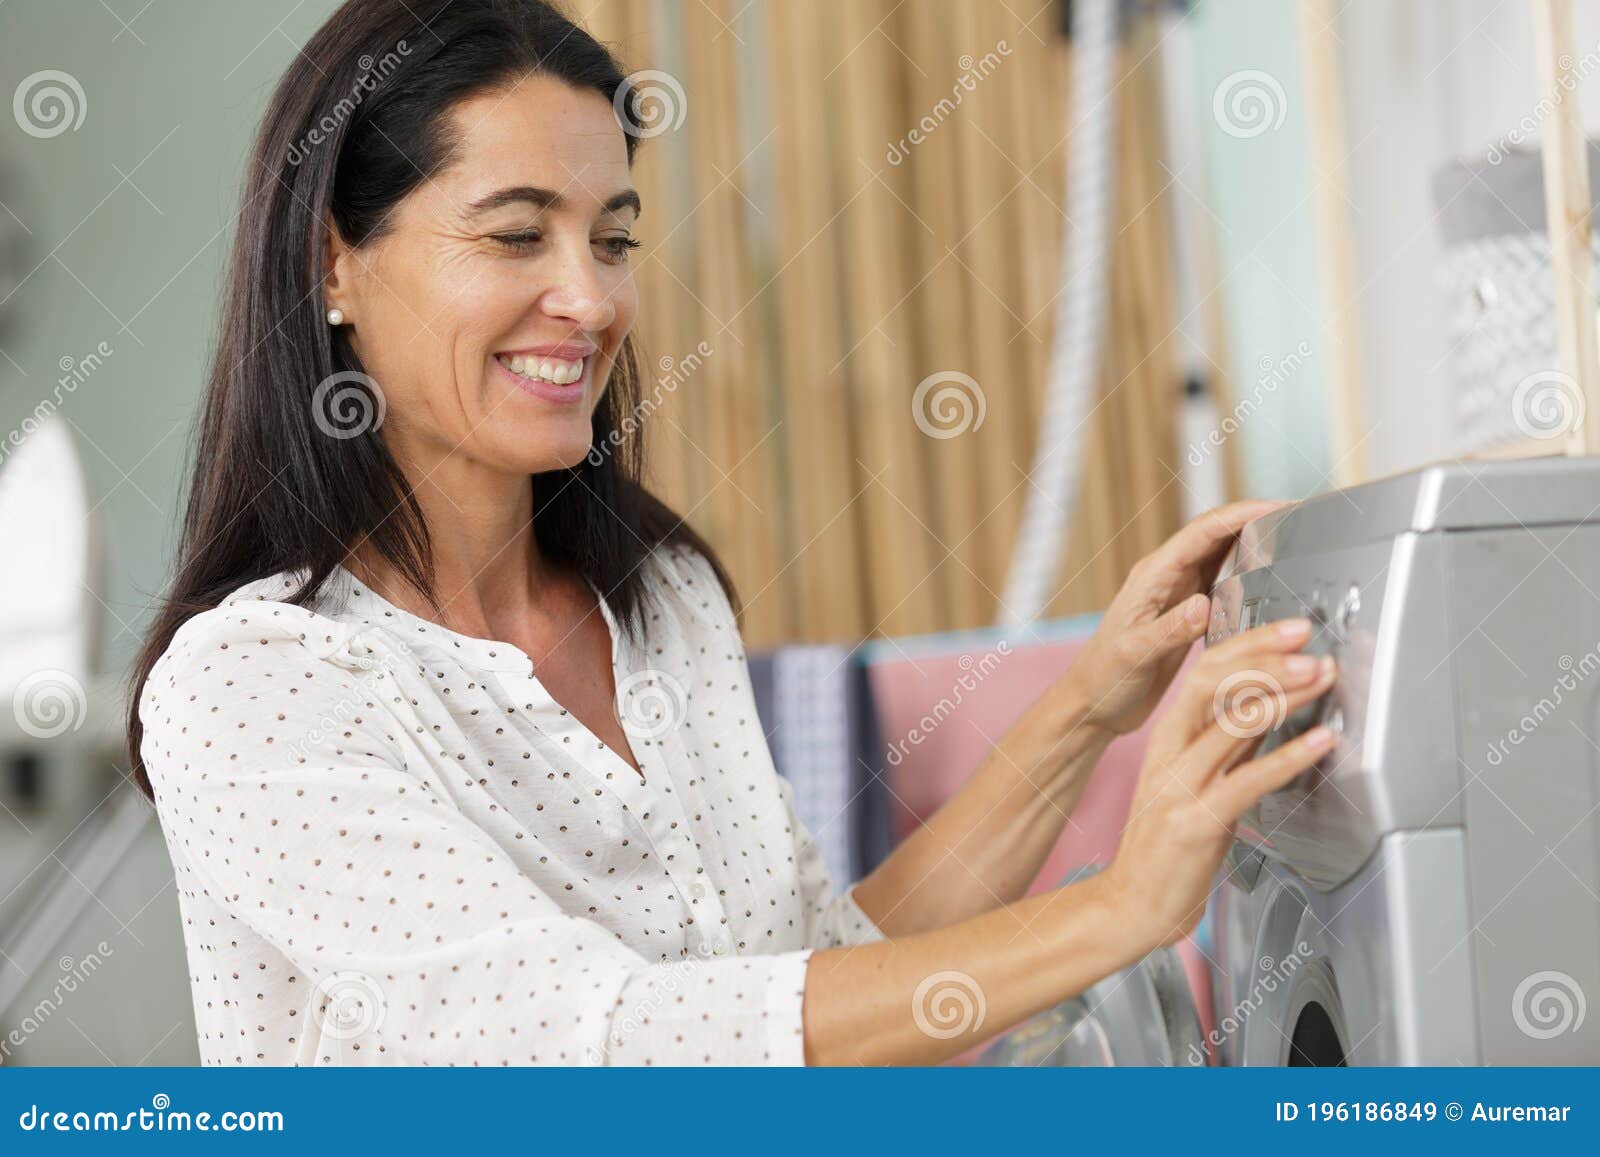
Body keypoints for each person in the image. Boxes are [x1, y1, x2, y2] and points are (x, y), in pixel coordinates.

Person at [128, 0, 1335, 1066]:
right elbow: (588, 1046)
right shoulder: (257, 687)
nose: (591, 300)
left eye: (612, 238)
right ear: (331, 261)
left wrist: (1091, 699)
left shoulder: (659, 600)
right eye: (513, 234)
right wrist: (1120, 907)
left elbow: (822, 967)